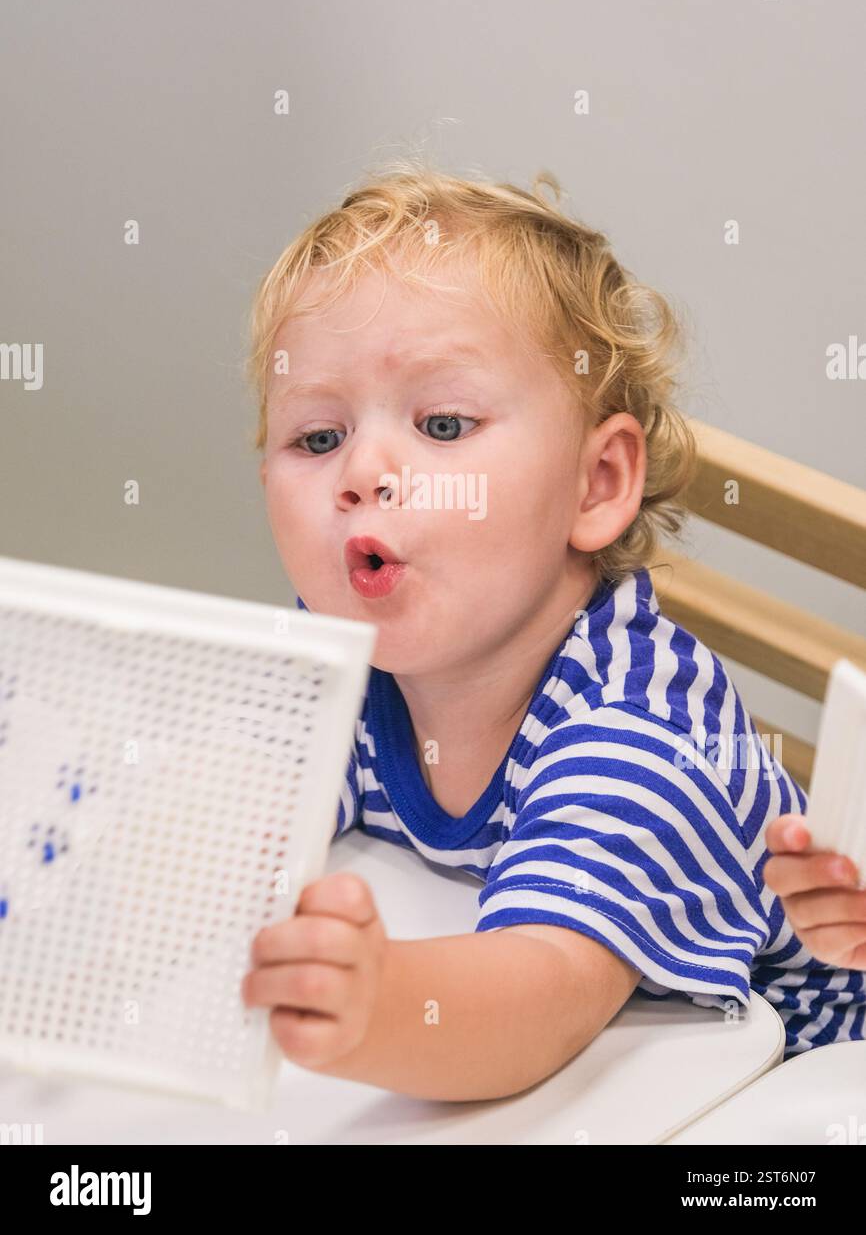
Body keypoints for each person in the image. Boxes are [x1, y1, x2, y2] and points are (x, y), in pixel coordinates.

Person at [240, 162, 866, 1101]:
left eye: (442, 423)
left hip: (790, 1099)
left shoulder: (641, 736)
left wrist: (376, 1005)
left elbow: (536, 997)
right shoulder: (343, 653)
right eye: (318, 438)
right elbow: (231, 808)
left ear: (596, 483)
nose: (362, 472)